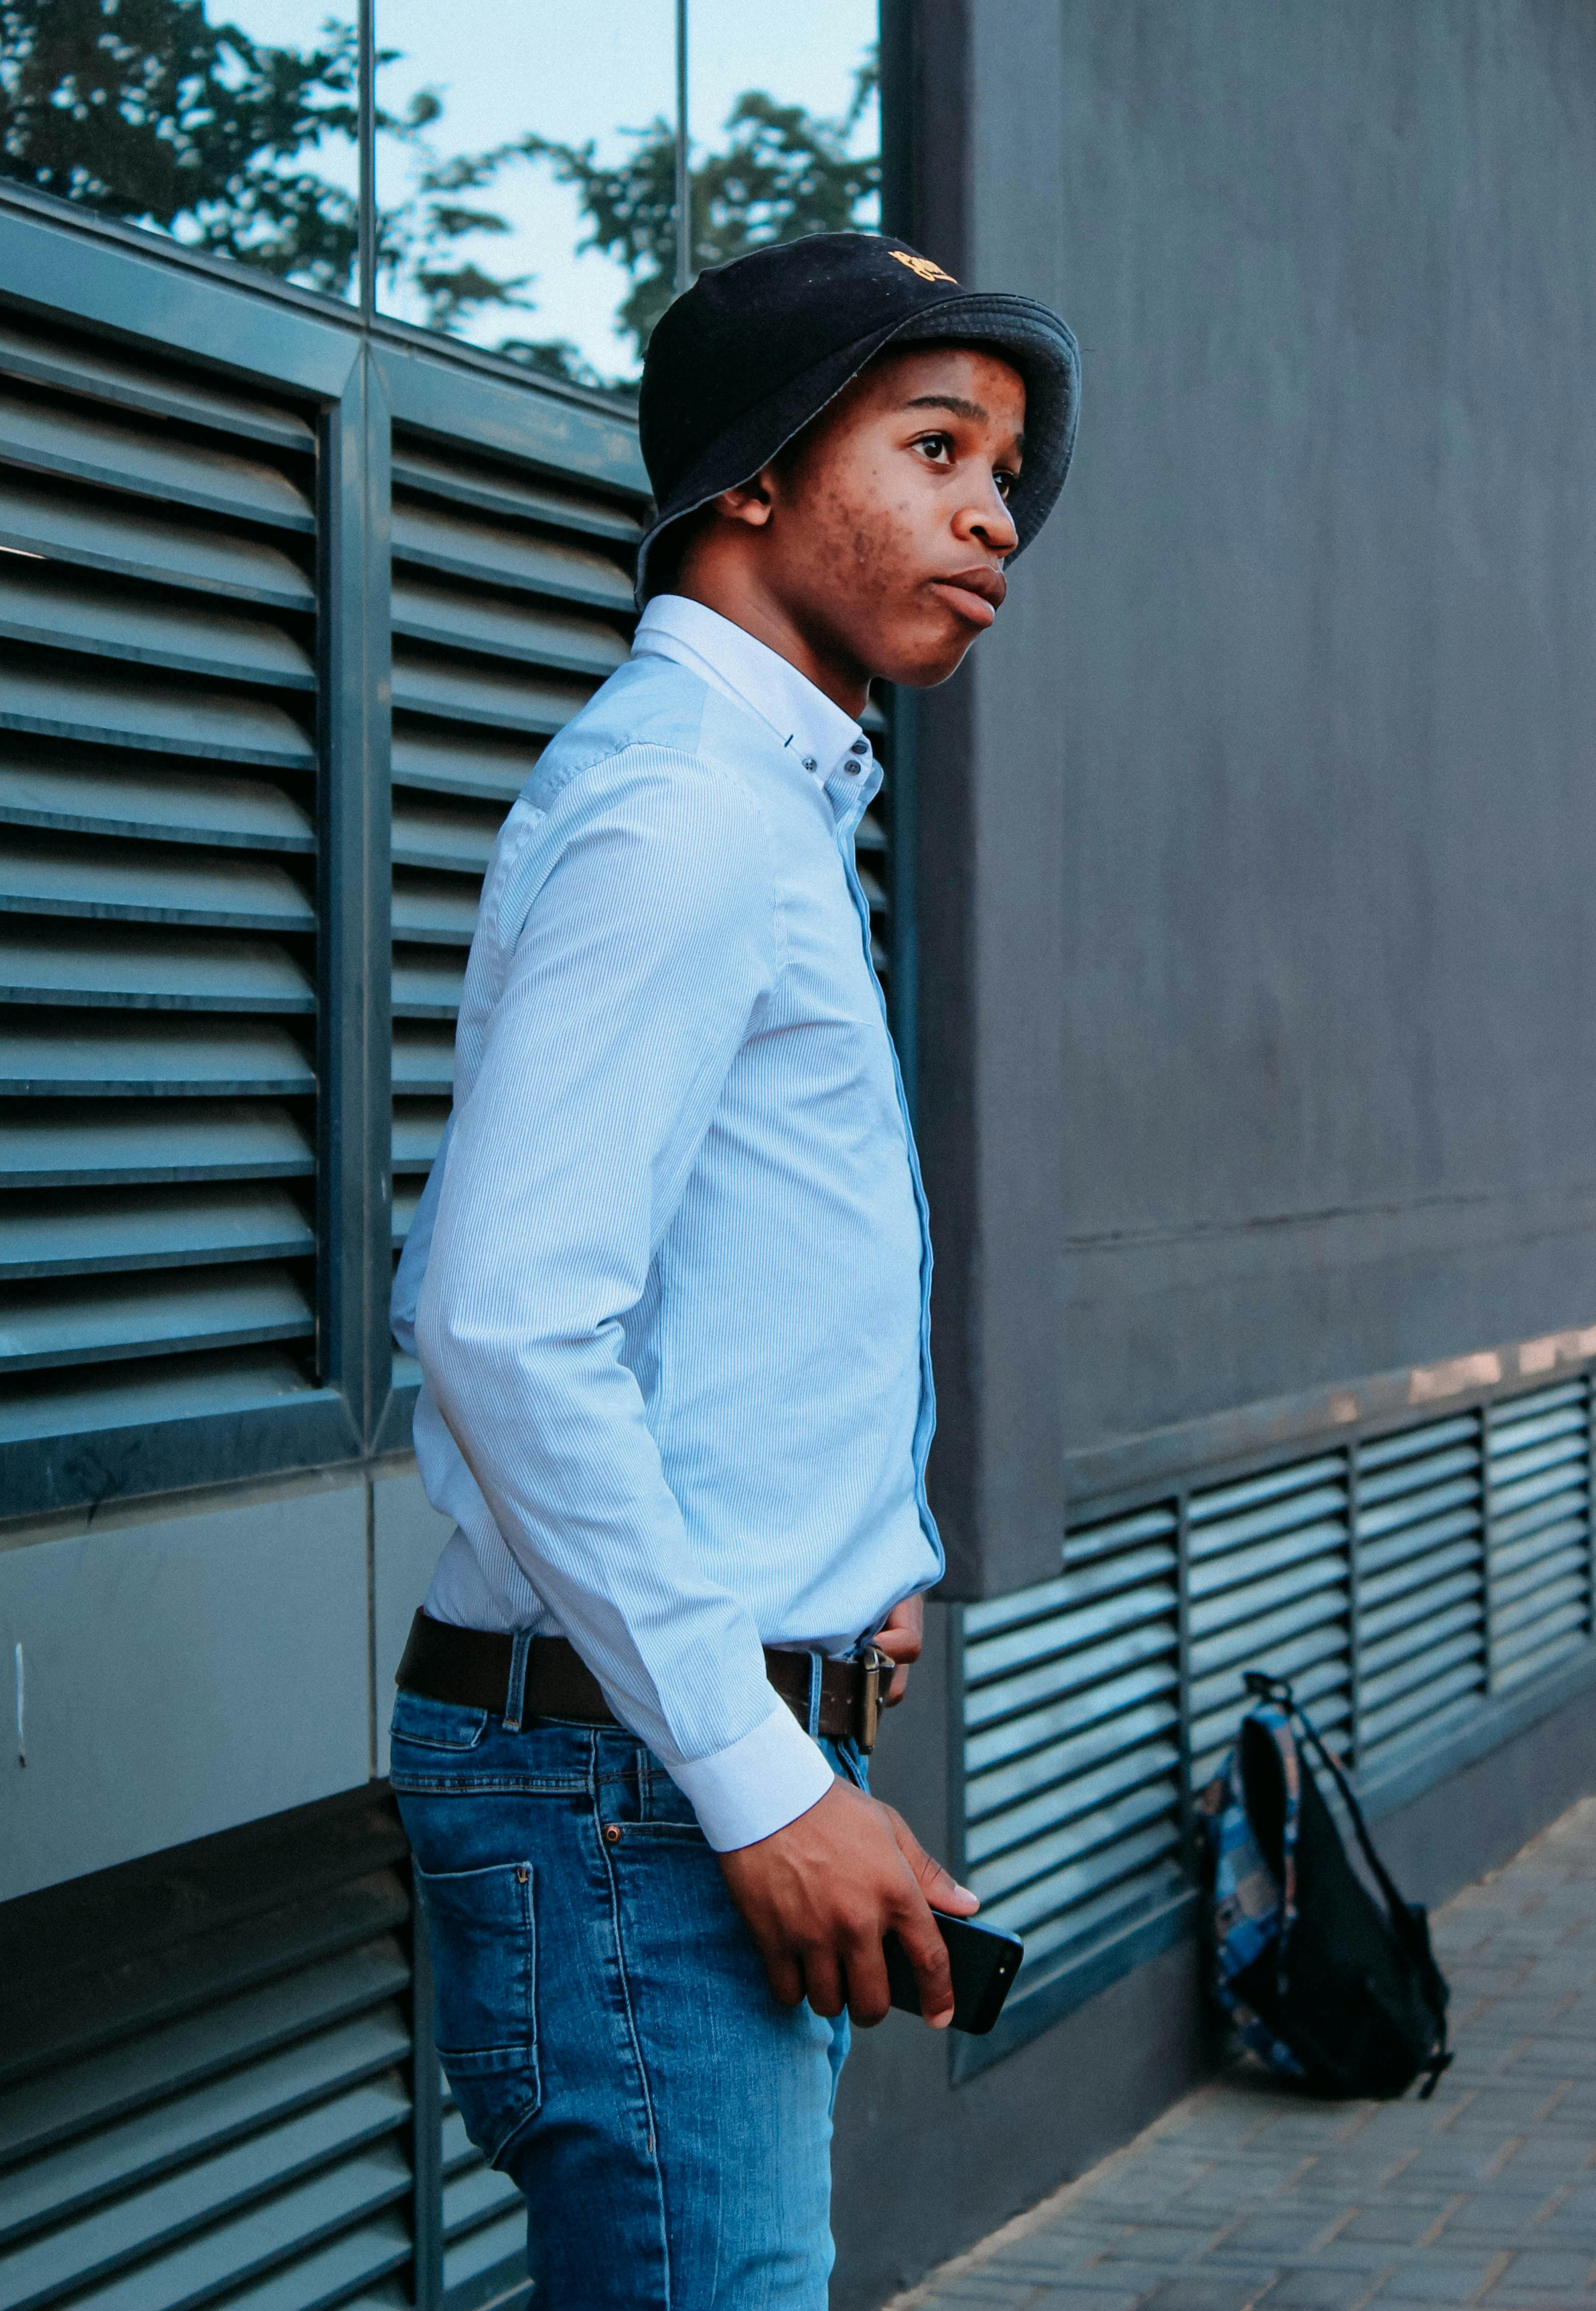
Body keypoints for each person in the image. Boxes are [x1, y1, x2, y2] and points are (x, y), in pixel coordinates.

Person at [387, 231, 1080, 2309]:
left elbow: (714, 1290)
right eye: (939, 445)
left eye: (1010, 473)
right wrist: (765, 1775)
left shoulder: (764, 810)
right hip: (637, 1799)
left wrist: (841, 1551)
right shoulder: (685, 812)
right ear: (757, 473)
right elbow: (503, 1322)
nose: (993, 514)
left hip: (656, 1769)